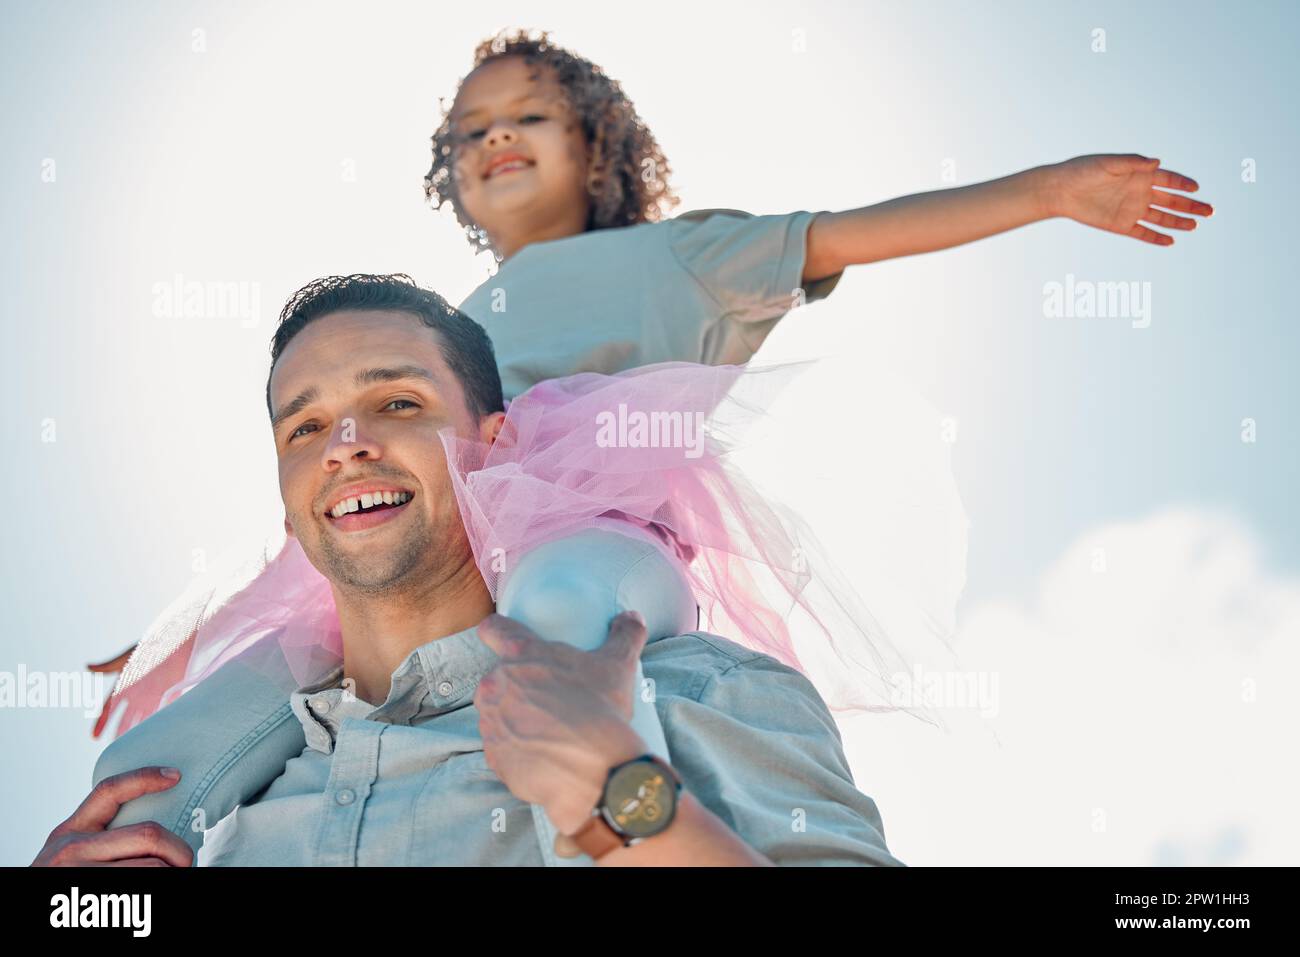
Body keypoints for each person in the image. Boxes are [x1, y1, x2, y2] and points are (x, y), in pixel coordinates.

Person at [86, 27, 1212, 863]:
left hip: (591, 532)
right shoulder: (448, 320)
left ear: (597, 143)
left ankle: (583, 822)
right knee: (179, 738)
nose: (496, 139)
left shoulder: (680, 256)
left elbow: (860, 231)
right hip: (438, 555)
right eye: (472, 133)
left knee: (561, 618)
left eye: (525, 116)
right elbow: (347, 485)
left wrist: (1051, 192)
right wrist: (166, 646)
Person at [37, 273, 902, 866]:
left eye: (397, 403)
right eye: (305, 428)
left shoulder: (695, 692)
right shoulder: (221, 820)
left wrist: (623, 799)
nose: (346, 446)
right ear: (289, 496)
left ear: (494, 448)